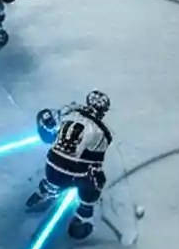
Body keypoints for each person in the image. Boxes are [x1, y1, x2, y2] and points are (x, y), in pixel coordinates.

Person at [26, 91, 113, 239]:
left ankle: (47, 190)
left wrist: (45, 122)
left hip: (51, 170)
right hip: (75, 176)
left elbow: (47, 135)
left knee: (57, 164)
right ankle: (83, 217)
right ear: (103, 111)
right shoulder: (103, 133)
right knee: (96, 178)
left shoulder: (68, 113)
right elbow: (95, 162)